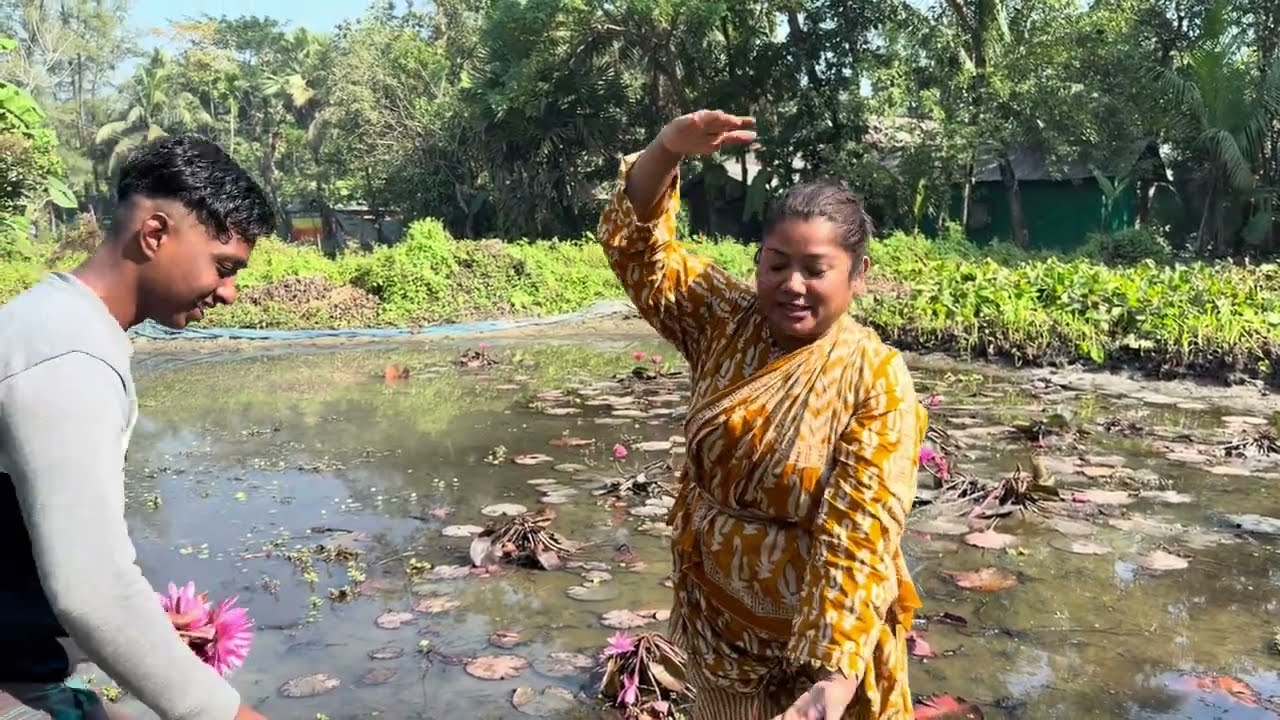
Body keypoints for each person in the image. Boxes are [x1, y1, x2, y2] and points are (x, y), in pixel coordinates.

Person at [598, 110, 928, 720]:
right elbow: (641, 251)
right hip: (715, 625)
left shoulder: (874, 378)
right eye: (776, 265)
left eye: (816, 269)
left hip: (821, 648)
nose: (792, 285)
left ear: (858, 276)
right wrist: (666, 148)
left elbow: (860, 532)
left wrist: (830, 681)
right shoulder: (725, 321)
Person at [0, 135, 275, 720]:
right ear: (154, 235)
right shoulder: (70, 358)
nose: (228, 293)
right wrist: (225, 713)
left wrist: (144, 621)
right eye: (223, 267)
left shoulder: (49, 323)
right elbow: (92, 592)